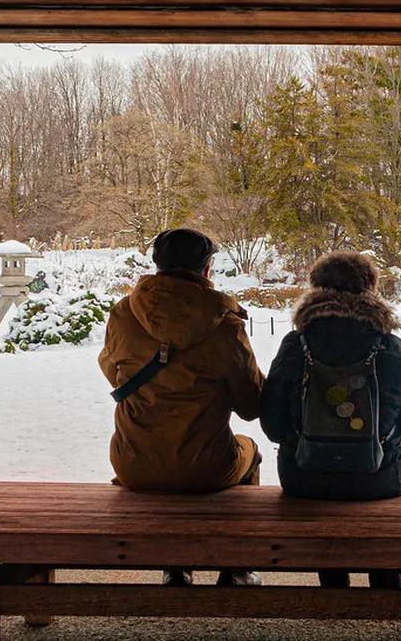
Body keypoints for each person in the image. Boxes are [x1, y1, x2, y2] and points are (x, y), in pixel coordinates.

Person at [99, 228, 263, 587]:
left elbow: (113, 372)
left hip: (132, 464)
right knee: (251, 452)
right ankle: (237, 567)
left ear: (157, 266)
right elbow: (251, 405)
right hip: (206, 469)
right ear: (206, 270)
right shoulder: (224, 325)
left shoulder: (124, 314)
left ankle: (176, 566)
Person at [260, 251, 401, 589]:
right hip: (380, 480)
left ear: (315, 289)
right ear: (371, 289)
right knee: (373, 496)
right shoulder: (391, 348)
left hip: (304, 478)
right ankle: (386, 583)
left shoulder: (296, 346)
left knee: (326, 492)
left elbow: (273, 425)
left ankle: (334, 584)